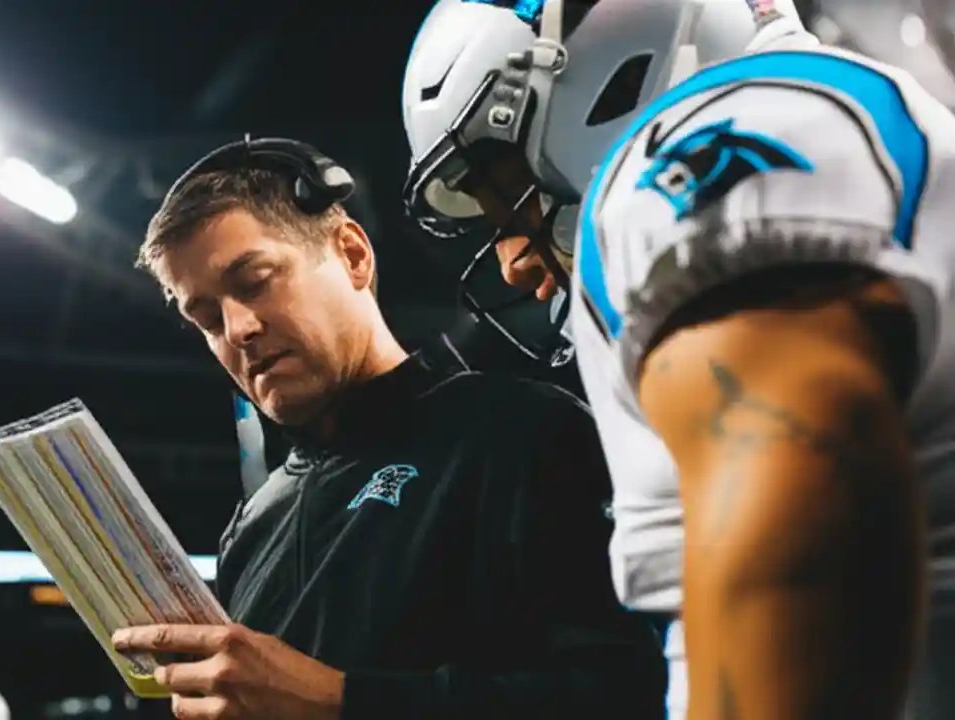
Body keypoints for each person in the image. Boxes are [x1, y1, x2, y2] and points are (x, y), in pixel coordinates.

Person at [399, 0, 955, 718]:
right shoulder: (830, 105)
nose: (510, 260)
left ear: (595, 77)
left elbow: (792, 548)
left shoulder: (705, 143)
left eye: (504, 188)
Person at [110, 137, 666, 719]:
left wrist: (339, 704)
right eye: (206, 318)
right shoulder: (250, 530)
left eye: (254, 282)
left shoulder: (522, 435)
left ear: (352, 254)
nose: (238, 328)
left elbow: (631, 697)